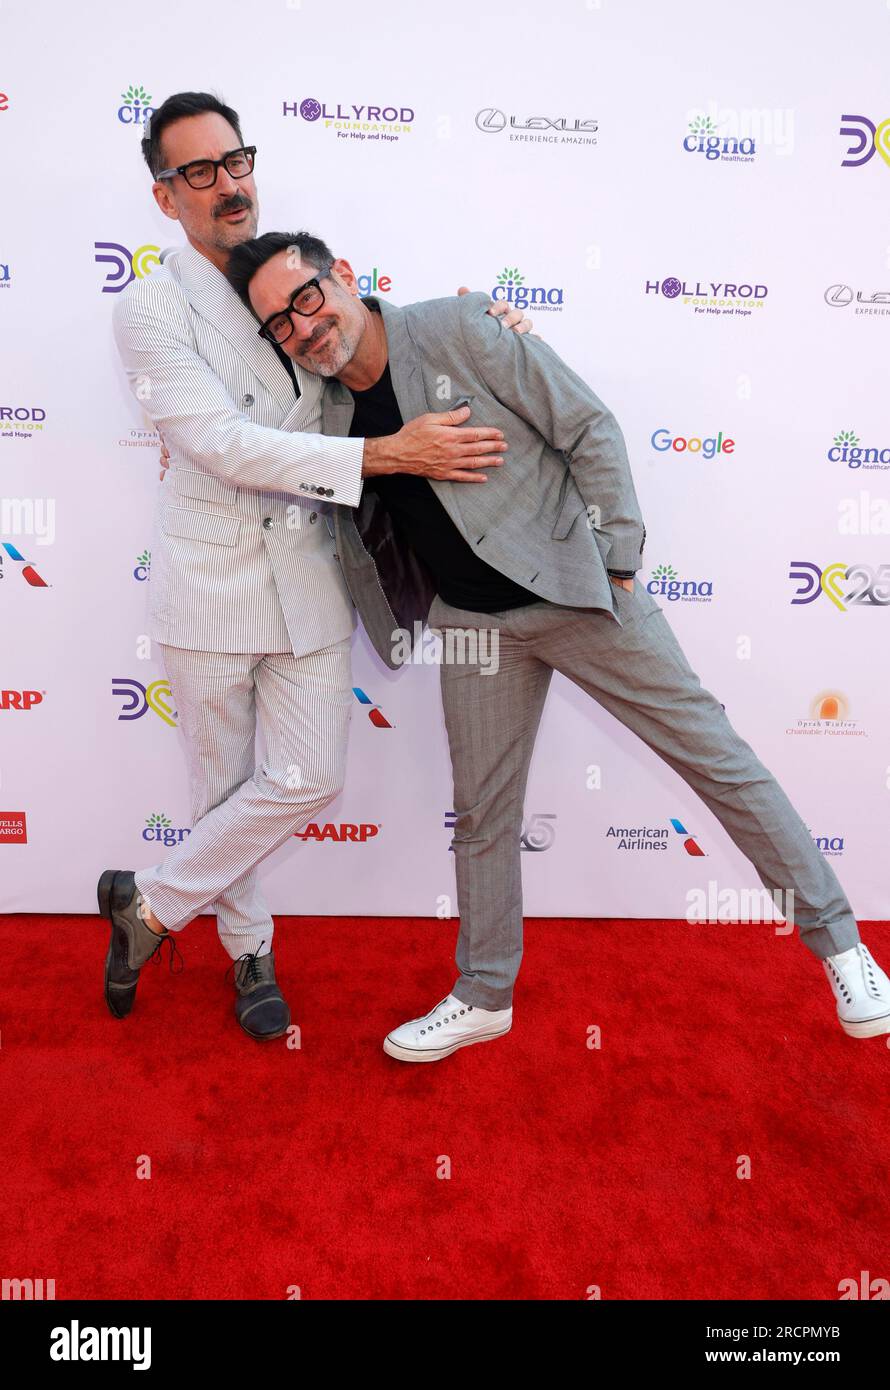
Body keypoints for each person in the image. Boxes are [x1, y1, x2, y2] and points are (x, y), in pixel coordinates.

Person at [225, 228, 890, 1061]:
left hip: (578, 594)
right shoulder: (325, 412)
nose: (304, 327)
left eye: (308, 299)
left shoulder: (464, 325)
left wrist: (616, 559)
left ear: (346, 278)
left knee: (717, 760)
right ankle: (483, 994)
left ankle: (844, 948)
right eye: (281, 325)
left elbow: (588, 428)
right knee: (482, 818)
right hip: (474, 629)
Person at [102, 91, 529, 1040]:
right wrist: (382, 458)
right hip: (209, 578)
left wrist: (485, 324)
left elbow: (374, 340)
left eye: (237, 161)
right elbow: (219, 442)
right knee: (222, 788)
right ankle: (249, 952)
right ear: (165, 197)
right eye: (200, 172)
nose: (229, 184)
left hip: (311, 576)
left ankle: (149, 902)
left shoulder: (283, 281)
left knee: (305, 777)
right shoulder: (150, 306)